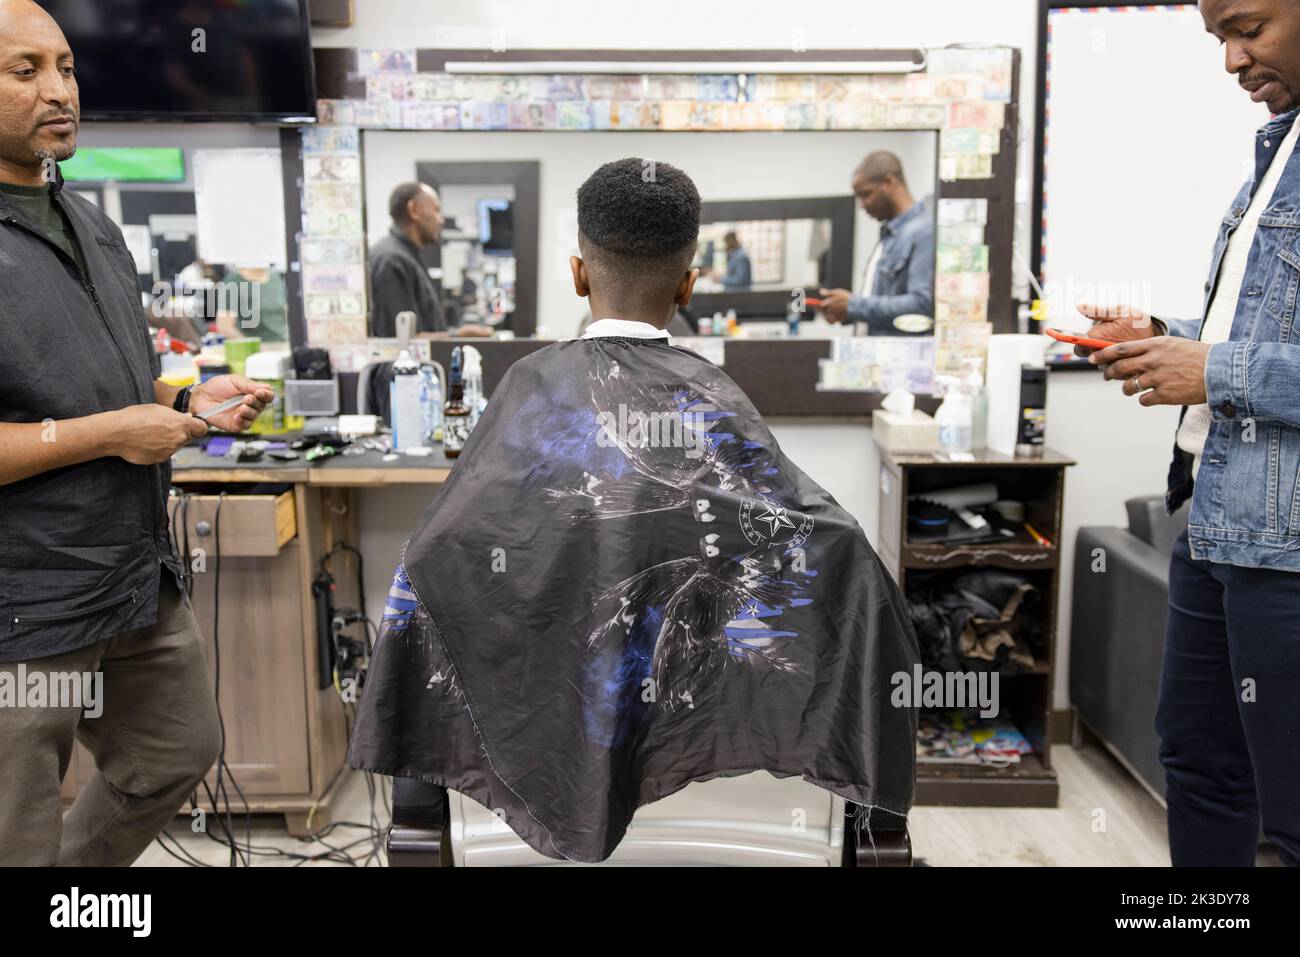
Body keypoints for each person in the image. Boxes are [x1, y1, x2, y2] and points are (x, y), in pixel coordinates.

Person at [346, 157, 920, 862]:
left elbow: (438, 558)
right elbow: (839, 560)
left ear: (578, 273)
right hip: (737, 807)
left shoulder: (530, 386)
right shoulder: (711, 395)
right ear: (689, 282)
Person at [0, 0, 273, 866]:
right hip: (26, 605)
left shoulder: (92, 226)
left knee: (173, 754)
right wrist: (112, 432)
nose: (59, 91)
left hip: (133, 579)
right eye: (25, 70)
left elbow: (102, 378)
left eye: (67, 67)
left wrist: (187, 400)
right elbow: (97, 417)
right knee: (16, 826)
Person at [1079, 0, 1300, 867]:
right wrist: (1161, 332)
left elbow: (1235, 362)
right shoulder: (1276, 153)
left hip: (1285, 551)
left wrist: (1211, 370)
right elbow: (1258, 327)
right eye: (1218, 39)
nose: (1232, 60)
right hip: (1214, 520)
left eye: (1248, 28)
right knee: (1198, 763)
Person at [817, 150, 935, 335]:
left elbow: (921, 305)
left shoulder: (923, 232)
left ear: (890, 182)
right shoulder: (890, 235)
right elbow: (883, 303)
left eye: (866, 194)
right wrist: (847, 312)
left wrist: (854, 305)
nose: (862, 205)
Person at [368, 182, 489, 338]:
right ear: (414, 210)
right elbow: (400, 340)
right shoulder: (392, 260)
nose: (441, 220)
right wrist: (457, 334)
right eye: (436, 210)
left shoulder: (408, 257)